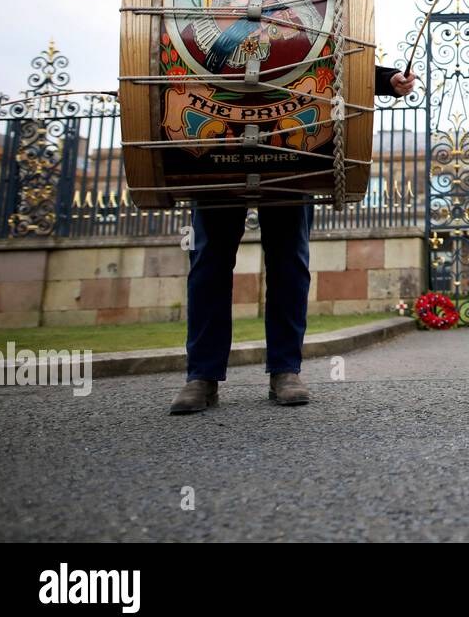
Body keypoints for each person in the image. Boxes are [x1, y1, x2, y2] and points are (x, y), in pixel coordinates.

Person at [170, 66, 417, 414]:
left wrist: (384, 79)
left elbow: (327, 47)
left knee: (288, 260)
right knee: (209, 260)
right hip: (215, 140)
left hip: (291, 140)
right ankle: (202, 377)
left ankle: (285, 371)